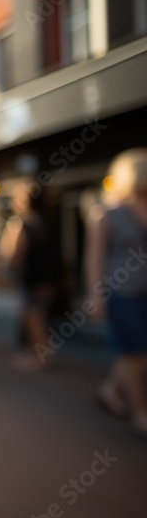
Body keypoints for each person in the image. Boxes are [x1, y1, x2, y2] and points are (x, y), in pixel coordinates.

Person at [85, 148, 147, 439]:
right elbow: (94, 257)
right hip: (122, 292)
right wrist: (96, 295)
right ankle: (140, 412)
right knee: (133, 352)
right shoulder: (107, 213)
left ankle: (110, 389)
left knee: (137, 353)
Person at [0, 183, 62, 371]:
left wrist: (5, 269)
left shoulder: (21, 224)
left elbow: (13, 254)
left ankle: (40, 357)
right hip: (44, 279)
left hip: (32, 279)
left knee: (34, 318)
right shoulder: (48, 221)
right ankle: (36, 353)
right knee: (35, 317)